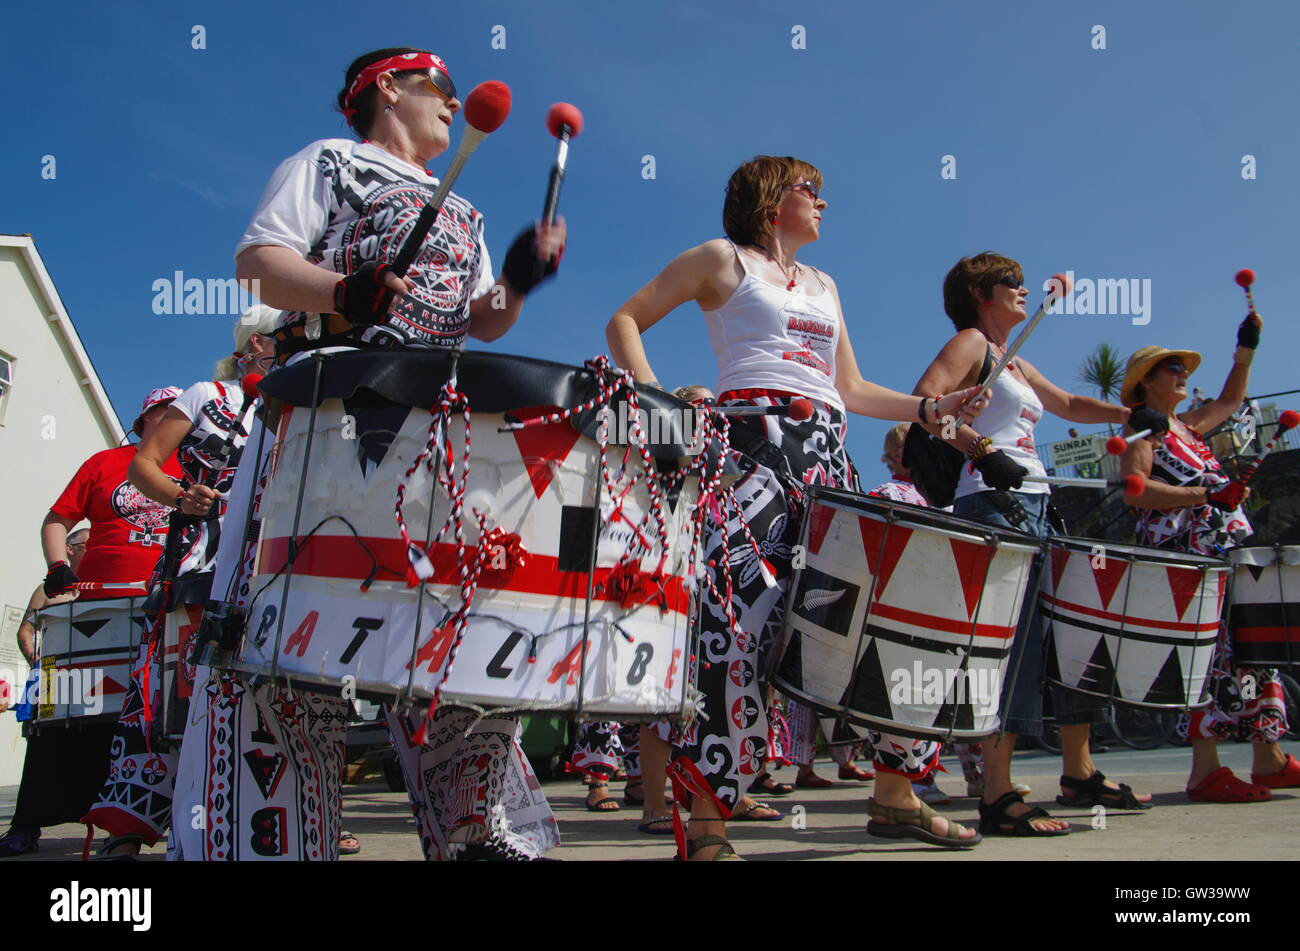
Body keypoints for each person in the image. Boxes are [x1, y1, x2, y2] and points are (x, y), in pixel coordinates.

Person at [174, 47, 568, 861]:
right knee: (287, 633)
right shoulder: (327, 163)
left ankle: (475, 829)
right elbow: (257, 265)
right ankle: (270, 840)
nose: (454, 106)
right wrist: (340, 291)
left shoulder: (464, 210)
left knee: (454, 630)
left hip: (443, 435)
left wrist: (521, 282)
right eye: (442, 91)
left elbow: (482, 318)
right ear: (387, 88)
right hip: (328, 416)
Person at [606, 155, 988, 858]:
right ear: (772, 198)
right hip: (749, 449)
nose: (824, 204)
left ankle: (895, 793)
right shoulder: (723, 260)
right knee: (737, 626)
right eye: (813, 190)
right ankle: (709, 824)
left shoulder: (825, 284)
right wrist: (664, 403)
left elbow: (854, 386)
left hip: (827, 458)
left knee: (876, 618)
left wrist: (932, 407)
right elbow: (625, 320)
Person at [913, 252, 1153, 837]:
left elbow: (1070, 406)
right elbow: (925, 405)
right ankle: (996, 794)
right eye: (1010, 282)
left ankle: (1079, 772)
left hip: (1037, 503)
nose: (1023, 289)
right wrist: (980, 451)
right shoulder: (971, 343)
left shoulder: (1014, 360)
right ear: (981, 295)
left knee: (1064, 637)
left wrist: (1131, 414)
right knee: (1011, 647)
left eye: (1024, 282)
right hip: (994, 503)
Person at [84, 310, 277, 858]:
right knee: (169, 690)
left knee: (268, 689)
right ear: (255, 342)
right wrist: (179, 495)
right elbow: (143, 464)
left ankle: (277, 811)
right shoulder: (203, 393)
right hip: (198, 561)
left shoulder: (299, 402)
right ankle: (131, 825)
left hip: (269, 566)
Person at [0, 384, 184, 858]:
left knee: (161, 720)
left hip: (168, 605)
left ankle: (156, 828)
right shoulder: (104, 463)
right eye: (165, 410)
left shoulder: (201, 465)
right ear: (144, 419)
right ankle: (27, 823)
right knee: (60, 717)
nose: (176, 418)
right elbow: (57, 518)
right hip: (93, 609)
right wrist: (59, 567)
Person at [1118, 328, 1300, 801]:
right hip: (1190, 562)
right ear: (1147, 382)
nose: (1182, 375)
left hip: (1226, 555)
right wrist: (1206, 493)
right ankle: (1204, 770)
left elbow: (1231, 397)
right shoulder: (1141, 427)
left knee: (1255, 649)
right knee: (1206, 659)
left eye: (1182, 369)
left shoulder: (1188, 427)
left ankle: (1269, 758)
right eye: (1173, 369)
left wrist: (1246, 350)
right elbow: (1135, 490)